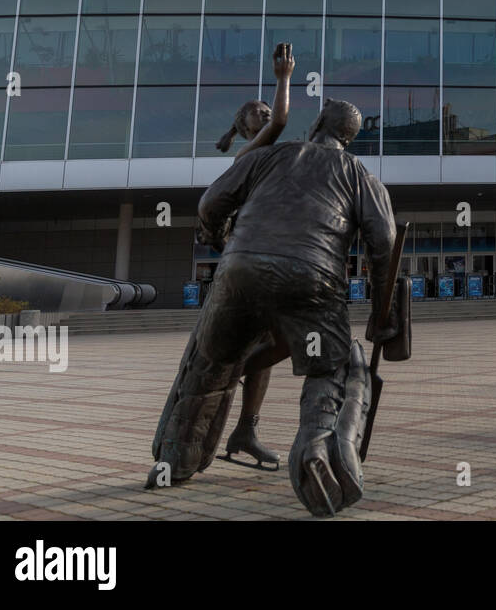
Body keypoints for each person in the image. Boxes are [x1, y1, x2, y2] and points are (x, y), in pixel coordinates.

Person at [149, 99, 398, 518]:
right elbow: (384, 242)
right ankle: (316, 449)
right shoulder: (360, 176)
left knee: (210, 364)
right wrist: (382, 309)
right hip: (311, 281)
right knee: (330, 368)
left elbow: (210, 203)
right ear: (350, 138)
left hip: (240, 272)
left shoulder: (267, 157)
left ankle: (175, 460)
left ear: (316, 123)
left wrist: (219, 239)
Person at [204, 42, 295, 469]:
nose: (263, 113)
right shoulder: (249, 154)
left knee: (273, 344)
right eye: (254, 112)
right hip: (254, 264)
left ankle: (246, 428)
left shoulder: (272, 159)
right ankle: (225, 384)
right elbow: (280, 121)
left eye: (263, 107)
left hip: (273, 258)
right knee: (281, 337)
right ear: (244, 127)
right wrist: (283, 79)